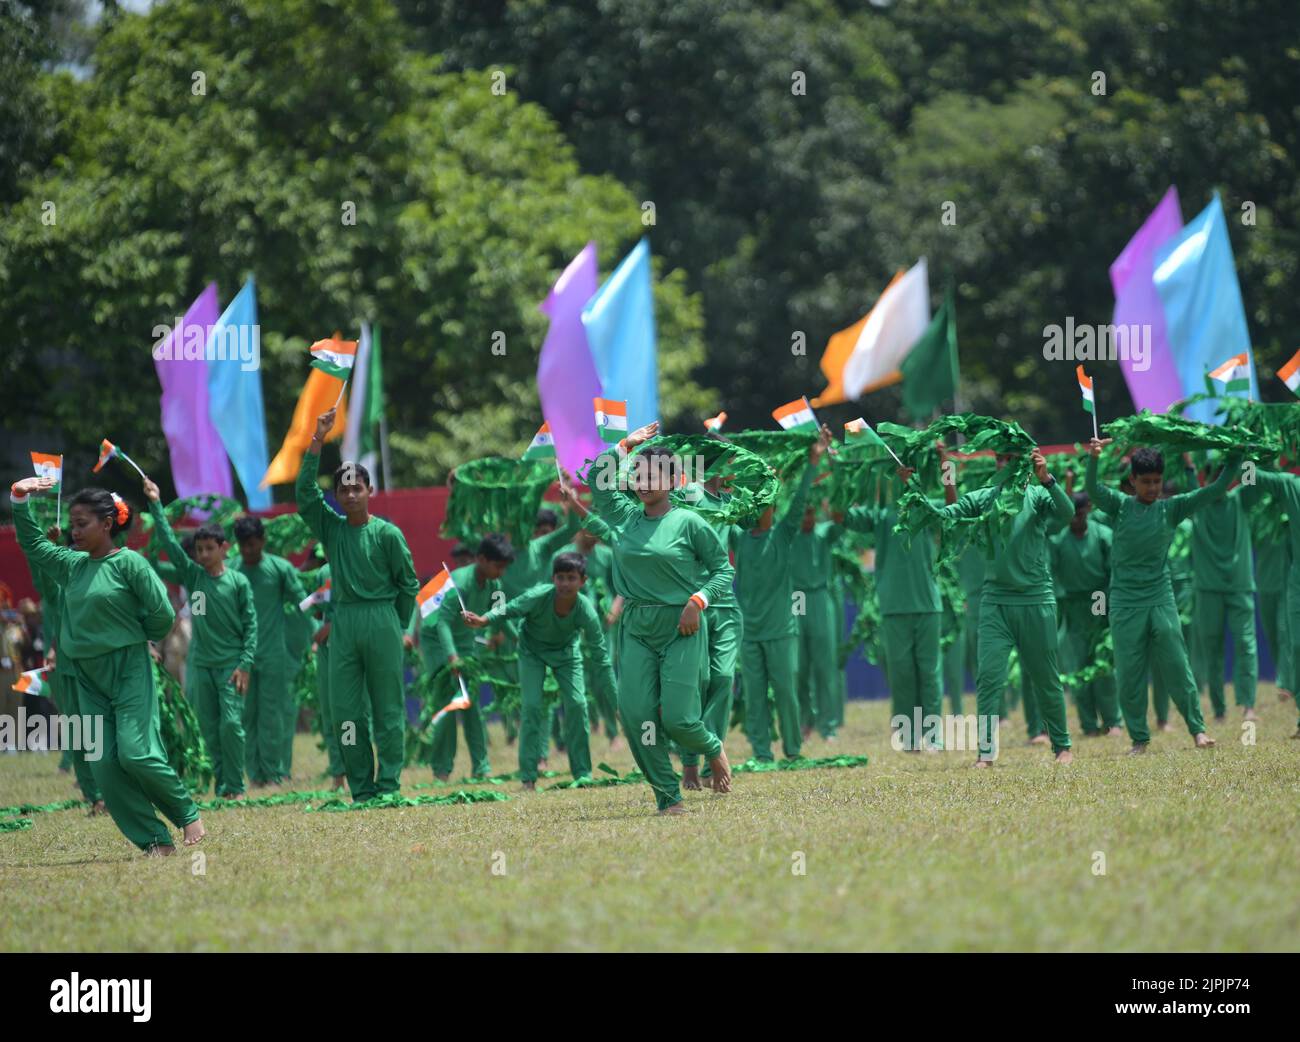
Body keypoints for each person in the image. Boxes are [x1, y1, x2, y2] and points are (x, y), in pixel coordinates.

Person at [10, 477, 203, 853]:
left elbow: (162, 615)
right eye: (72, 524)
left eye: (82, 524)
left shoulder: (130, 563)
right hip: (85, 676)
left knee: (136, 752)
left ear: (107, 523)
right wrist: (19, 499)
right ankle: (154, 839)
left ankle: (185, 812)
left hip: (129, 667)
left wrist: (137, 639)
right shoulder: (71, 565)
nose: (74, 531)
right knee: (102, 763)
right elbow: (33, 545)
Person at [585, 422, 736, 813]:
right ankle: (667, 796)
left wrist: (698, 601)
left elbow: (723, 571)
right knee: (636, 714)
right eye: (639, 474)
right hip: (635, 627)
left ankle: (712, 747)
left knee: (681, 720)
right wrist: (623, 447)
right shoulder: (624, 517)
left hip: (682, 626)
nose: (644, 481)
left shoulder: (690, 522)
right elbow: (597, 483)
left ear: (672, 479)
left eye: (654, 475)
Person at [917, 449, 1075, 765]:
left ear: (1026, 466)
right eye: (1000, 458)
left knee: (1045, 677)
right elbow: (951, 513)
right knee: (989, 676)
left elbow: (1067, 513)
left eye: (1012, 458)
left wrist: (1049, 480)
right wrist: (945, 471)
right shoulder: (986, 498)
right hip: (996, 602)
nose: (1005, 464)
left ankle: (1062, 747)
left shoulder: (1038, 496)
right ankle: (985, 754)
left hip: (1036, 600)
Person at [297, 409, 419, 801]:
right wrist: (317, 440)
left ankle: (389, 784)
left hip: (382, 619)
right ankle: (362, 788)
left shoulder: (387, 535)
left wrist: (399, 626)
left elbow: (408, 584)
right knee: (345, 713)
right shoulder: (331, 530)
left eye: (357, 488)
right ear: (336, 495)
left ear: (369, 491)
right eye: (343, 489)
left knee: (387, 709)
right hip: (344, 622)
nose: (350, 495)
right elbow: (303, 494)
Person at [1086, 439, 1238, 752]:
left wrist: (1235, 455)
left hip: (1160, 597)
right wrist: (1094, 458)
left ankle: (1198, 730)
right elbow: (1092, 489)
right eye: (1146, 482)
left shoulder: (1172, 508)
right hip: (1125, 603)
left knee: (1177, 665)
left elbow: (1215, 489)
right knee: (1129, 674)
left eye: (1157, 481)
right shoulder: (1120, 506)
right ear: (1133, 481)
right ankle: (1139, 739)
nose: (1153, 488)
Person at [144, 478, 257, 798]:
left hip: (231, 667)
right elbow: (166, 541)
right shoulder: (193, 576)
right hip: (201, 665)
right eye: (199, 550)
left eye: (210, 549)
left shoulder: (238, 583)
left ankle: (235, 784)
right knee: (208, 727)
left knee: (231, 726)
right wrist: (155, 503)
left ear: (224, 549)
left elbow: (251, 625)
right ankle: (222, 784)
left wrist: (245, 663)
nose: (204, 554)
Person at [465, 552, 616, 789]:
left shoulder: (585, 610)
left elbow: (601, 658)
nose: (565, 583)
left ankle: (582, 772)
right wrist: (484, 620)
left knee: (577, 704)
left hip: (567, 655)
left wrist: (616, 700)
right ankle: (528, 776)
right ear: (553, 578)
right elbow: (509, 608)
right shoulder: (539, 595)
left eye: (571, 578)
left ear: (583, 581)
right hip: (531, 652)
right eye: (561, 577)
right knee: (532, 706)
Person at [843, 447, 954, 752]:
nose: (906, 476)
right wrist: (844, 475)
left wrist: (946, 463)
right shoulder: (880, 515)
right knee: (902, 675)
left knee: (929, 674)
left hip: (928, 606)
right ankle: (907, 737)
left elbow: (952, 503)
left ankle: (933, 737)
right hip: (893, 607)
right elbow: (843, 516)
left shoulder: (926, 509)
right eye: (901, 472)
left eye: (911, 471)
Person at [731, 429, 830, 762]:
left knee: (786, 694)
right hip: (750, 633)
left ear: (773, 505)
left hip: (781, 631)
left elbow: (800, 498)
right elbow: (721, 505)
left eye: (767, 501)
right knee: (754, 697)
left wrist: (813, 461)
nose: (762, 507)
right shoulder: (738, 536)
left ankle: (793, 750)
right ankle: (761, 753)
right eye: (757, 500)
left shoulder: (784, 533)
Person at [425, 534, 516, 780]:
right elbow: (442, 624)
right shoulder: (459, 584)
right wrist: (452, 658)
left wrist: (515, 638)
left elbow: (500, 614)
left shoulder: (494, 585)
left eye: (504, 567)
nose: (501, 571)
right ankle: (441, 770)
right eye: (498, 565)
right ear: (482, 559)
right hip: (438, 644)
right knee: (448, 704)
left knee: (471, 705)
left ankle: (481, 767)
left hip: (466, 644)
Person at [232, 514, 307, 786]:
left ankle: (274, 773)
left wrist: (315, 632)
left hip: (274, 653)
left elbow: (303, 603)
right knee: (247, 715)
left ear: (262, 541)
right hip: (241, 659)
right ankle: (255, 775)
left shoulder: (280, 569)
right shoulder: (232, 571)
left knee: (272, 715)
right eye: (243, 545)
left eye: (252, 544)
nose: (248, 550)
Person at [1189, 459, 1259, 722]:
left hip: (1239, 586)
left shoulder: (1241, 499)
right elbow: (1188, 475)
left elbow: (1253, 479)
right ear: (1206, 480)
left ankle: (1249, 705)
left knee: (1246, 644)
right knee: (1212, 649)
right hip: (1208, 590)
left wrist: (1245, 456)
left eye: (1223, 475)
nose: (1220, 482)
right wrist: (1188, 463)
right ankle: (1219, 709)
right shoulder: (1197, 503)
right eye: (1214, 476)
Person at [1050, 492, 1121, 736]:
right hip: (1072, 604)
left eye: (1079, 515)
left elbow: (1114, 571)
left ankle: (1113, 721)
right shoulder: (1059, 541)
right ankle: (1088, 724)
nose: (1075, 521)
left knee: (1102, 663)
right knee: (1078, 666)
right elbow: (1050, 572)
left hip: (1097, 599)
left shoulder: (1103, 535)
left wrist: (1106, 606)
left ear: (1088, 510)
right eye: (1070, 516)